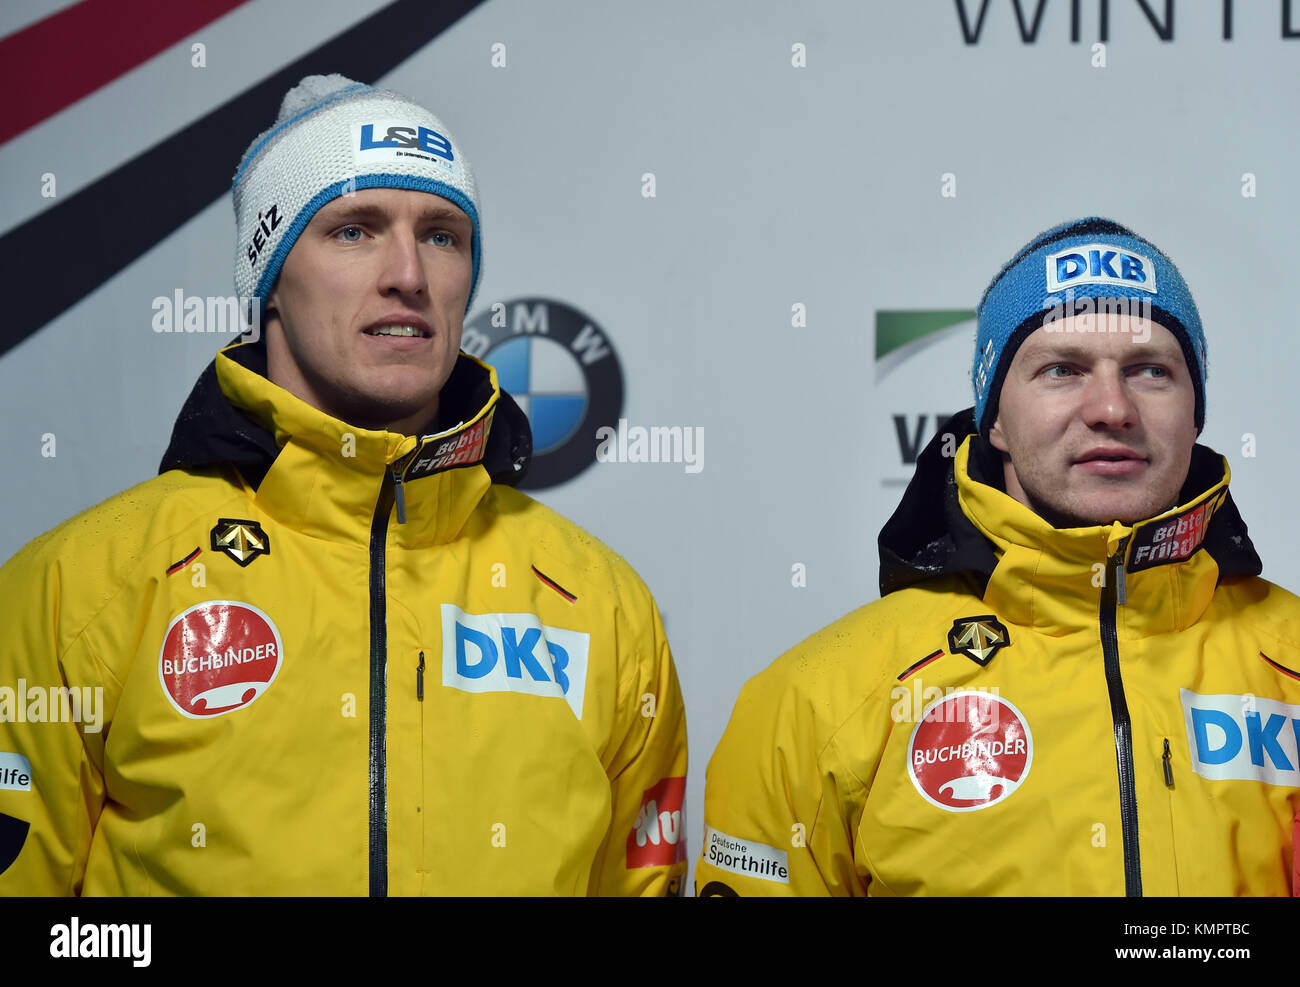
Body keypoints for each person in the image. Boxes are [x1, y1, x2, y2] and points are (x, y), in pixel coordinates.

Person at [0, 75, 687, 896]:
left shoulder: (601, 604)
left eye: (442, 235)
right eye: (353, 229)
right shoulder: (77, 588)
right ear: (270, 275)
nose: (408, 273)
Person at [695, 217, 1300, 896]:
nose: (1111, 407)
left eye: (1150, 370)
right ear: (996, 420)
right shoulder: (819, 699)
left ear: (1196, 412)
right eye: (1062, 369)